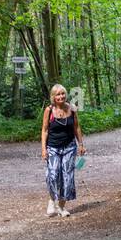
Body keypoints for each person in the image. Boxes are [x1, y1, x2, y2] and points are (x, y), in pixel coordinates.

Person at [40, 84, 85, 217]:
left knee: (67, 177)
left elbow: (76, 127)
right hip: (53, 147)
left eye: (63, 93)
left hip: (70, 147)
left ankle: (61, 207)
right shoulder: (49, 110)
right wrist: (43, 149)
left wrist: (81, 144)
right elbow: (45, 130)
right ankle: (52, 200)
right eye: (58, 94)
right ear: (53, 97)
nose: (61, 96)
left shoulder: (72, 108)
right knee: (53, 175)